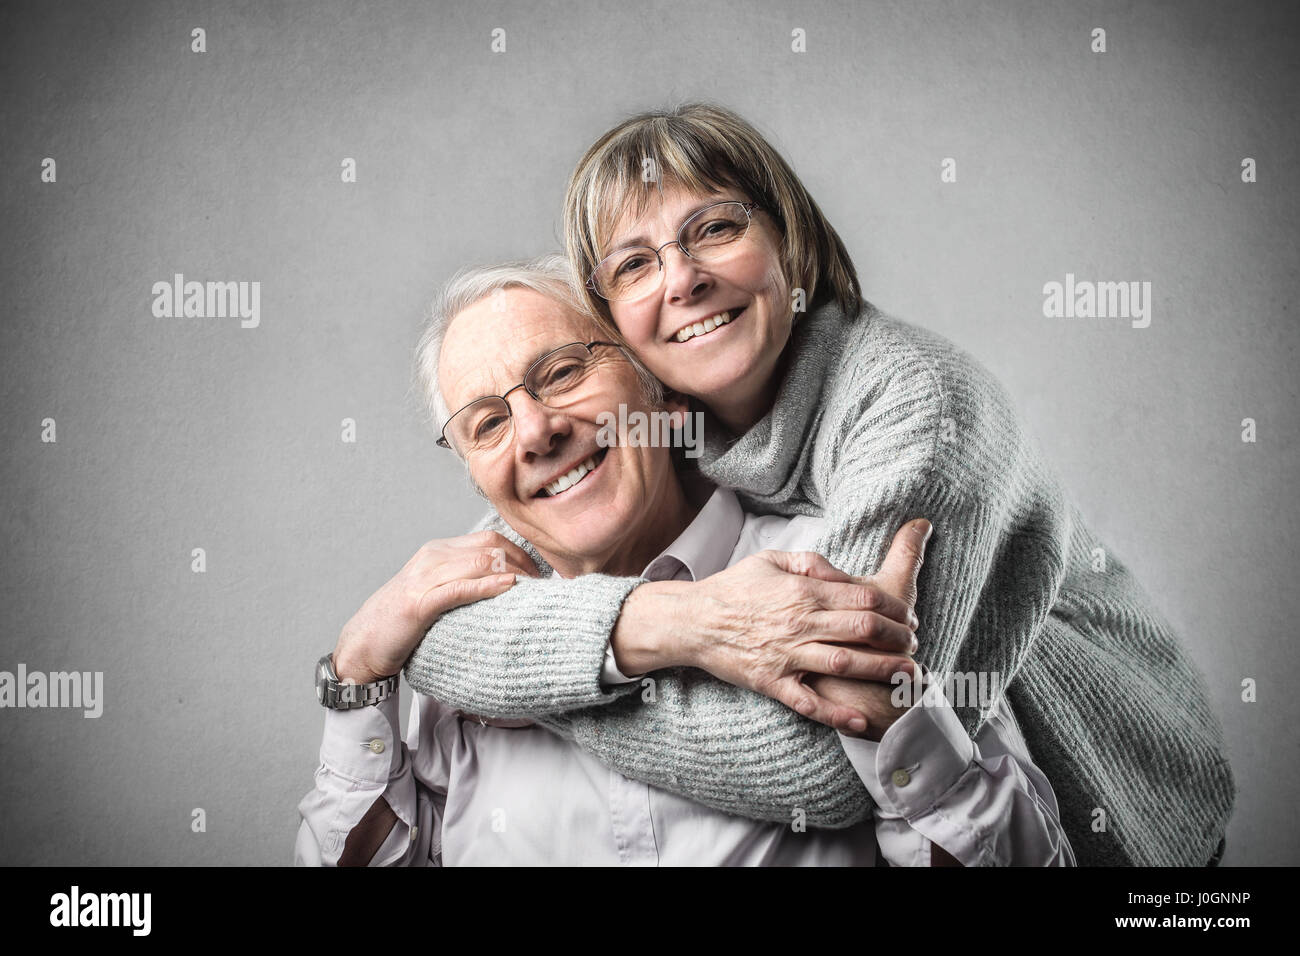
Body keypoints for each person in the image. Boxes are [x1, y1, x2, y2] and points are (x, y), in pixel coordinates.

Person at [403, 103, 1234, 866]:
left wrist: (548, 682)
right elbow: (468, 601)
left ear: (789, 238)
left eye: (716, 227)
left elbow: (826, 766)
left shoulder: (919, 409)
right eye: (633, 266)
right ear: (615, 325)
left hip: (1129, 819)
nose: (681, 279)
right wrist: (669, 622)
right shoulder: (664, 427)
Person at [295, 260, 1073, 865]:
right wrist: (356, 679)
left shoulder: (836, 576)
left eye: (563, 373)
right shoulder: (454, 660)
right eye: (487, 423)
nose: (533, 433)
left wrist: (908, 741)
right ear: (476, 475)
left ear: (658, 390)